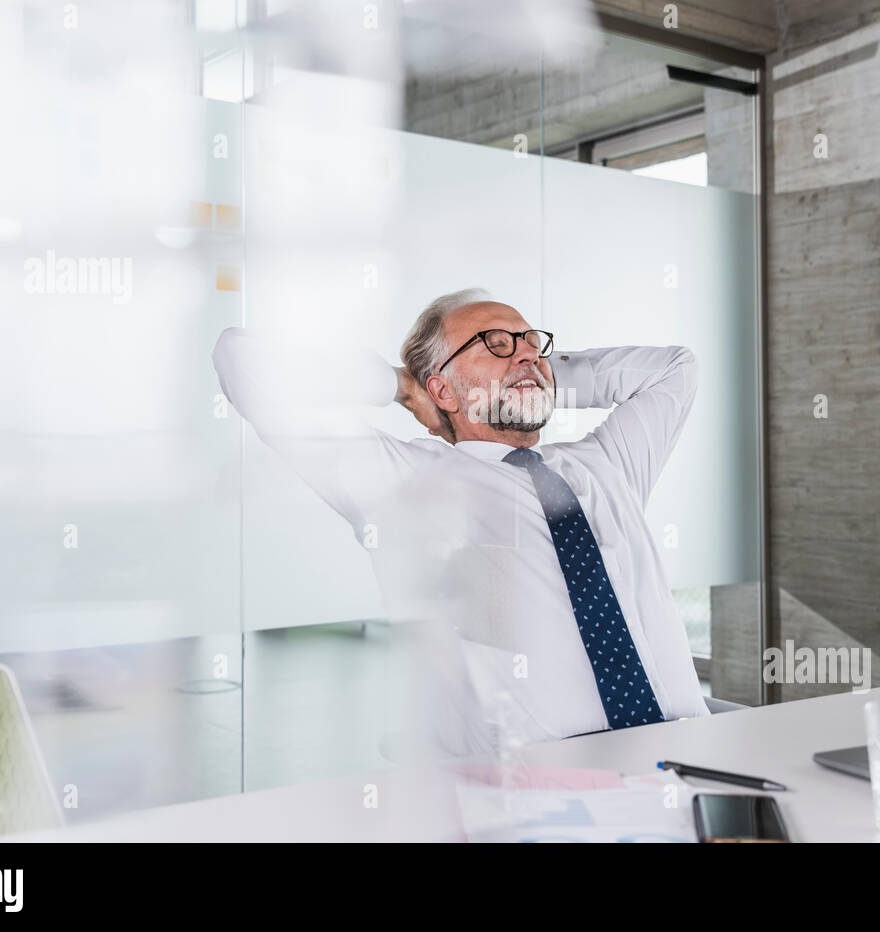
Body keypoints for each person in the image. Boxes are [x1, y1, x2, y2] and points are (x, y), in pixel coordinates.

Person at [212, 288, 709, 756]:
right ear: (441, 390)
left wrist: (532, 373)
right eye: (493, 344)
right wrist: (399, 385)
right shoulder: (403, 482)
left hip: (692, 757)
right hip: (540, 787)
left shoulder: (606, 464)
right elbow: (242, 363)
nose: (528, 354)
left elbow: (674, 369)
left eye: (534, 344)